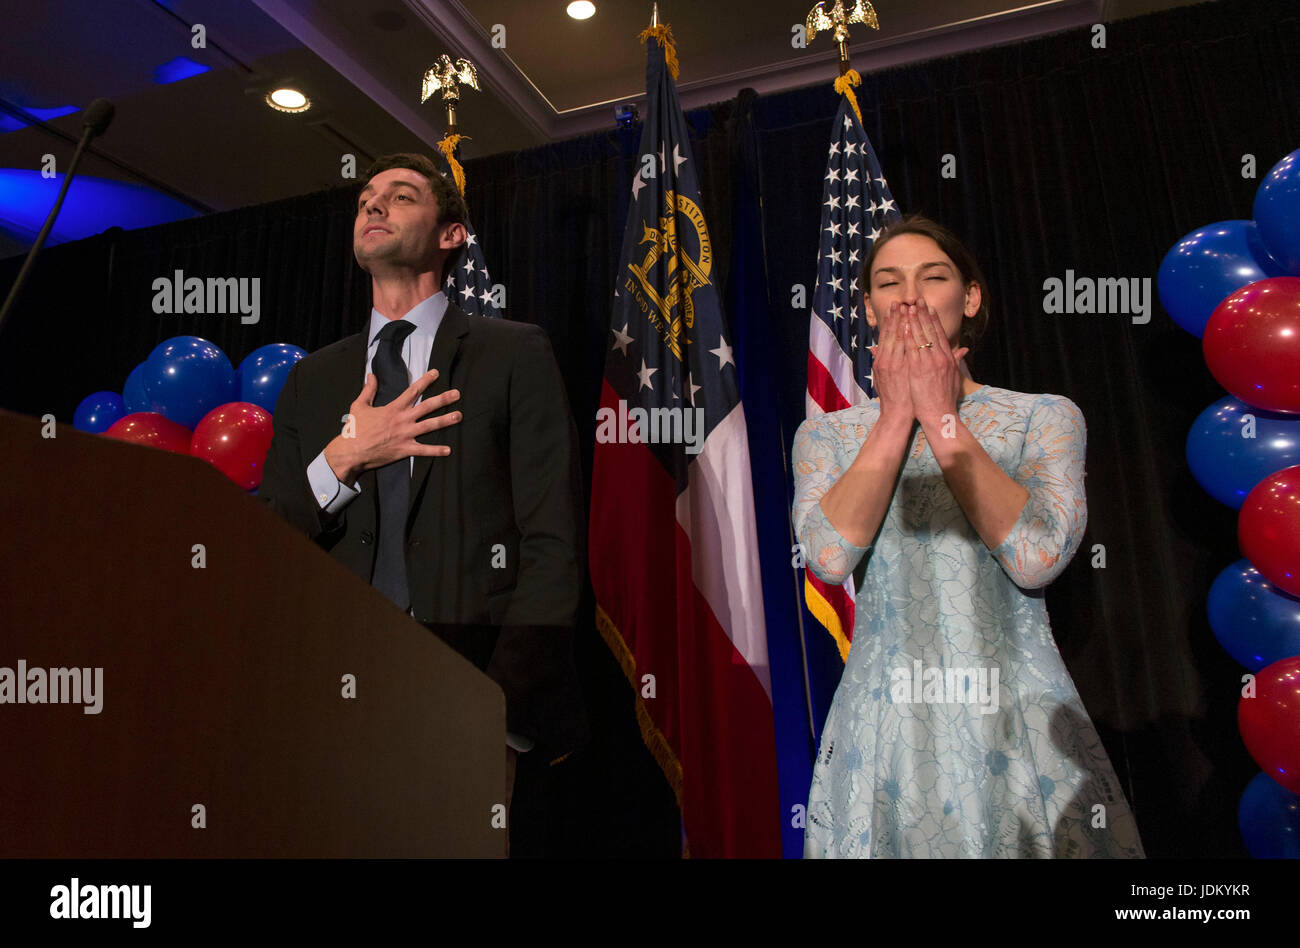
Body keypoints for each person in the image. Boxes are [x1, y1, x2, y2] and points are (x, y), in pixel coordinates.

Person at [258, 153, 587, 855]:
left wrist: (493, 709)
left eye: (400, 197)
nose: (372, 208)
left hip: (468, 703)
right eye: (365, 200)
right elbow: (267, 539)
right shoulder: (313, 380)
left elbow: (552, 547)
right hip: (332, 709)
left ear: (451, 235)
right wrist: (345, 457)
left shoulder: (514, 354)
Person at [793, 215, 1144, 858]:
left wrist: (942, 418)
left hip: (1017, 721)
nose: (908, 297)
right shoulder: (828, 436)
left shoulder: (1043, 416)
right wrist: (897, 416)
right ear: (868, 308)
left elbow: (1037, 558)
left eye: (933, 277)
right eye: (887, 282)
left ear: (971, 298)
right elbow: (828, 555)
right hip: (888, 728)